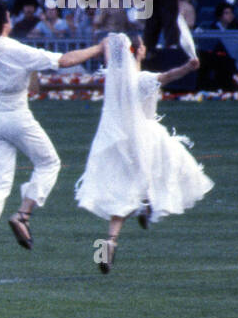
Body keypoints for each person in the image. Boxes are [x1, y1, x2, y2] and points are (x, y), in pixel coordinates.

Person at [0, 0, 105, 270]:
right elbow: (64, 60)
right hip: (18, 116)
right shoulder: (15, 48)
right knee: (49, 163)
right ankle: (23, 214)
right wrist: (99, 48)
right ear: (6, 24)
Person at [76, 34, 211, 272]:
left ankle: (111, 240)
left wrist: (111, 46)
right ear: (139, 52)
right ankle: (146, 202)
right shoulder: (142, 79)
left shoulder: (114, 78)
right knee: (173, 167)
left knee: (124, 191)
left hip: (120, 140)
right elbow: (168, 76)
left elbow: (113, 56)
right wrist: (188, 67)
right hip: (146, 137)